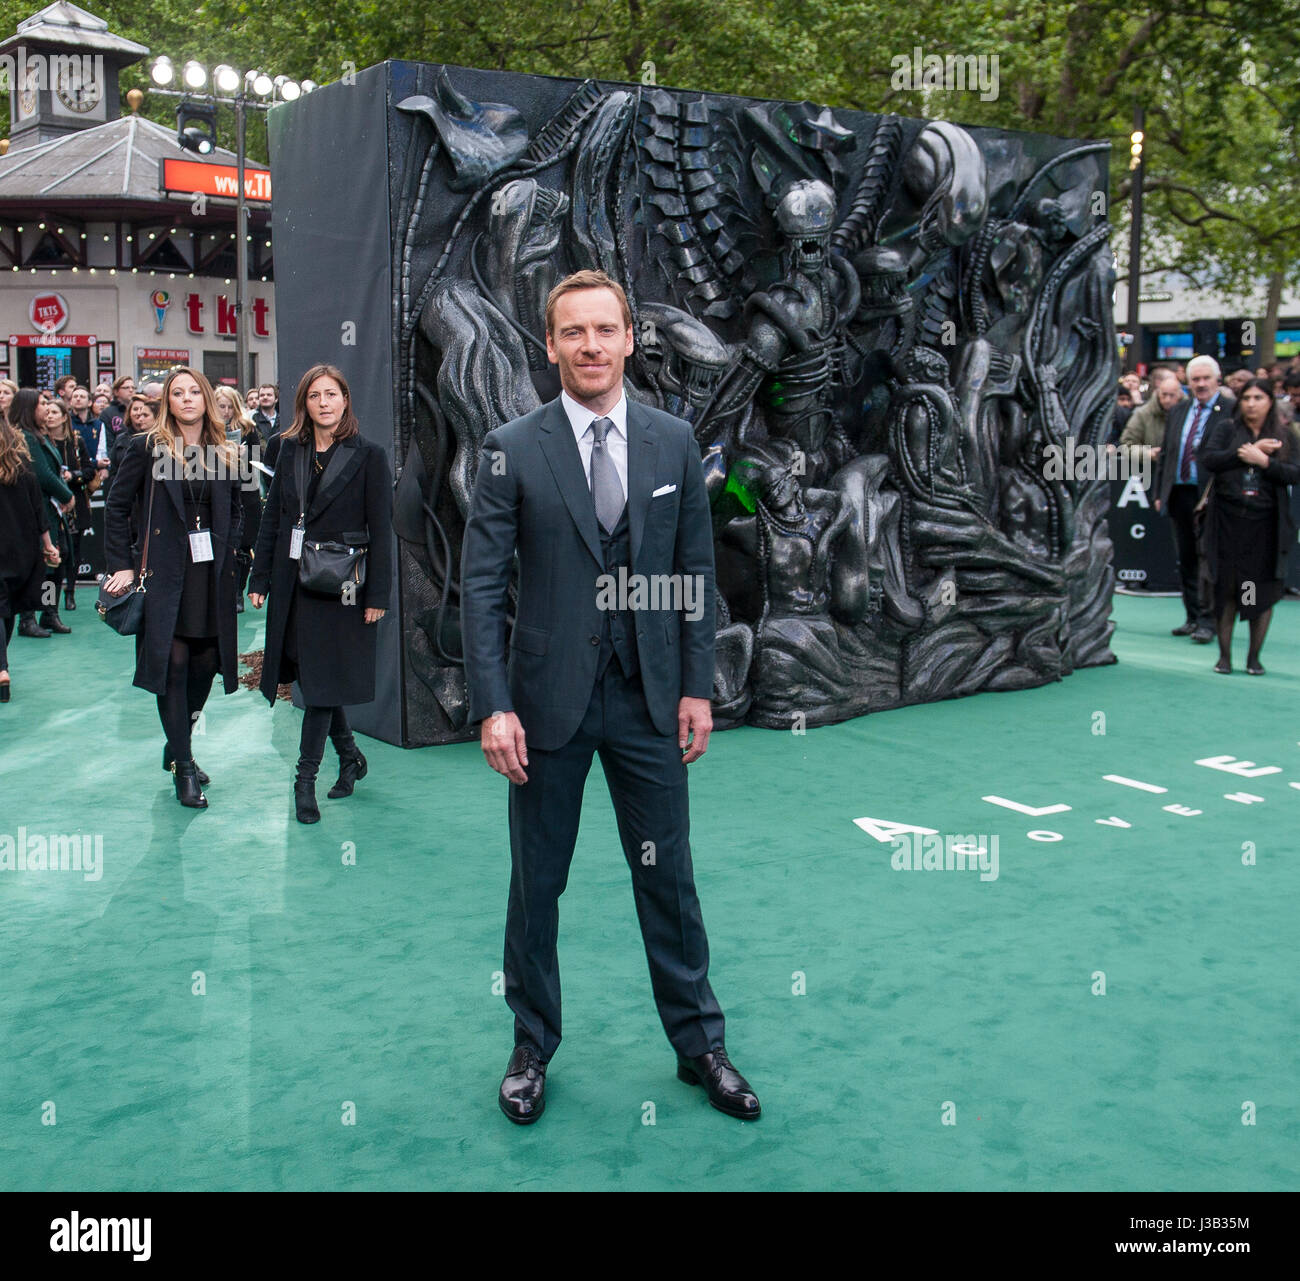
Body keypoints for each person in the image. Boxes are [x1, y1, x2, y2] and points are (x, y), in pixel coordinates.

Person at [460, 269, 759, 1126]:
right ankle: (531, 1045)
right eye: (572, 331)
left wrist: (696, 685)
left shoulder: (674, 441)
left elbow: (694, 572)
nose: (589, 345)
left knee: (669, 879)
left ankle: (699, 1043)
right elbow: (481, 586)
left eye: (603, 329)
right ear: (550, 344)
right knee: (537, 884)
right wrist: (493, 704)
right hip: (543, 707)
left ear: (629, 338)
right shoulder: (511, 447)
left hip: (650, 701)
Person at [249, 364, 392, 823]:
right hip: (294, 582)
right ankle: (349, 756)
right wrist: (258, 579)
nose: (323, 403)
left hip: (343, 587)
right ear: (304, 404)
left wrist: (378, 595)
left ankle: (304, 780)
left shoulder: (369, 455)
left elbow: (382, 530)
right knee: (317, 680)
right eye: (314, 396)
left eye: (331, 394)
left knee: (321, 684)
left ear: (345, 399)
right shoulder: (288, 448)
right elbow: (272, 518)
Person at [102, 367, 244, 809]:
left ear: (206, 399)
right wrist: (122, 566)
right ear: (167, 401)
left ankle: (177, 742)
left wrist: (233, 554)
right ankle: (184, 766)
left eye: (193, 392)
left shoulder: (226, 450)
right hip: (163, 574)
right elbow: (116, 505)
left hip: (210, 575)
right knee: (173, 666)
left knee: (205, 665)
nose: (186, 399)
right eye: (177, 393)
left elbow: (239, 510)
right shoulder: (148, 447)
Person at [1198, 378, 1300, 675]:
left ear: (1270, 401)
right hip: (1227, 522)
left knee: (1257, 591)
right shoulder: (1227, 429)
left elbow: (1294, 473)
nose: (1251, 404)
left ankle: (1254, 658)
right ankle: (1224, 657)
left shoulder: (1284, 434)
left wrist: (1265, 463)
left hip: (1265, 526)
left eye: (1258, 398)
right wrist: (1246, 452)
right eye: (1246, 398)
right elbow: (1209, 459)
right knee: (1226, 589)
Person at [1154, 354, 1233, 643]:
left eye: (1205, 378)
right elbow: (1166, 453)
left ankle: (1209, 621)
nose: (1200, 384)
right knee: (1186, 558)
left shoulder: (1231, 410)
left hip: (1212, 496)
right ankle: (1192, 616)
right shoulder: (1179, 410)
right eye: (1195, 379)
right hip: (1178, 493)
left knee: (1208, 559)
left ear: (1217, 379)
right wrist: (1159, 492)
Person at [0, 417, 61, 701]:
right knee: (7, 608)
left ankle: (1, 668)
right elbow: (40, 512)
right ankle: (2, 665)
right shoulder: (25, 472)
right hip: (22, 551)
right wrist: (49, 546)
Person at [11, 388, 74, 637]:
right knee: (43, 562)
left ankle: (49, 612)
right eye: (41, 404)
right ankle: (27, 617)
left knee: (57, 561)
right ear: (28, 408)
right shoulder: (26, 437)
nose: (47, 408)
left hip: (51, 509)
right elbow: (42, 474)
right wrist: (67, 495)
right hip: (36, 509)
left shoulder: (40, 436)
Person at [40, 397, 96, 614]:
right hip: (51, 507)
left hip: (74, 504)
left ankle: (70, 592)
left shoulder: (76, 441)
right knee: (52, 558)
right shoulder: (41, 441)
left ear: (64, 417)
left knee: (72, 552)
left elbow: (89, 471)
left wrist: (72, 475)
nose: (50, 416)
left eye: (54, 412)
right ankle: (47, 605)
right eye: (47, 412)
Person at [214, 384, 262, 612]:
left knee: (243, 544)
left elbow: (258, 462)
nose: (225, 411)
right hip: (219, 491)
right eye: (221, 406)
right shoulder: (208, 428)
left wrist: (245, 456)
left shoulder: (248, 428)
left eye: (229, 407)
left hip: (245, 492)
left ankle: (237, 592)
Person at [1120, 368, 1184, 471]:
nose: (1167, 400)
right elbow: (1126, 445)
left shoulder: (1191, 412)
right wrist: (1147, 454)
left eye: (1172, 395)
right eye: (1164, 394)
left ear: (1180, 394)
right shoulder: (1143, 414)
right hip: (1152, 472)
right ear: (1158, 392)